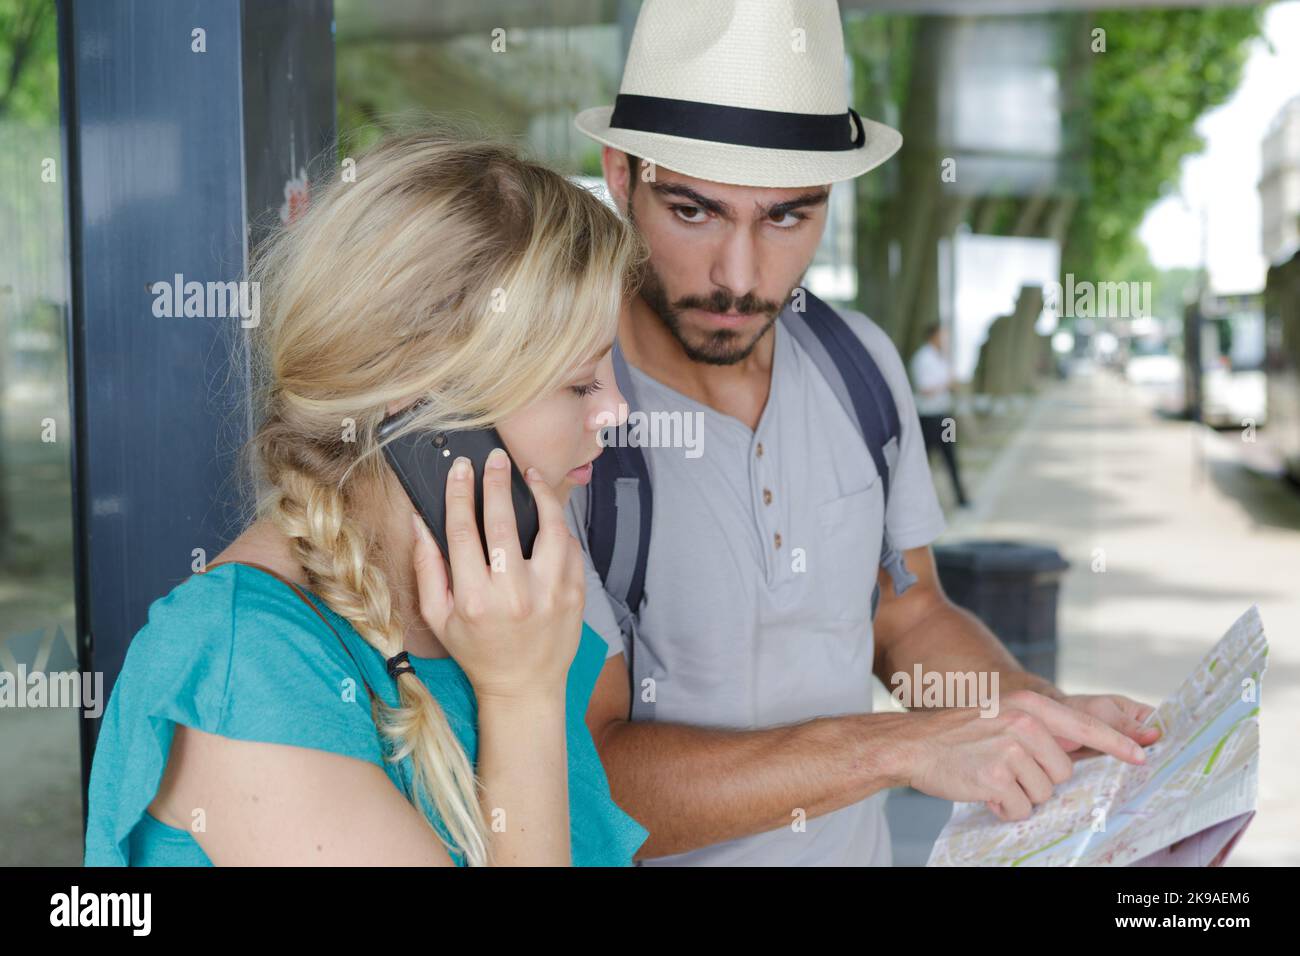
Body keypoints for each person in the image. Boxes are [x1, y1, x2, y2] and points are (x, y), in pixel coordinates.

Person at [568, 0, 1161, 866]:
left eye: (786, 217)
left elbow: (908, 615)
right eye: (695, 212)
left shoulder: (860, 367)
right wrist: (899, 748)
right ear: (621, 174)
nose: (740, 277)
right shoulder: (560, 407)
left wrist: (1030, 715)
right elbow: (588, 781)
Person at [83, 130, 651, 866]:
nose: (617, 411)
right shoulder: (243, 662)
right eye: (579, 384)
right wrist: (521, 700)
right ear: (422, 406)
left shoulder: (506, 611)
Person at [910, 322, 971, 508]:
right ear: (933, 336)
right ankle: (918, 501)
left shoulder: (941, 359)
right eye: (942, 336)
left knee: (951, 455)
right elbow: (925, 389)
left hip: (945, 417)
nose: (946, 341)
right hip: (929, 418)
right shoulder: (923, 359)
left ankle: (960, 497)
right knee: (925, 459)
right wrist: (947, 383)